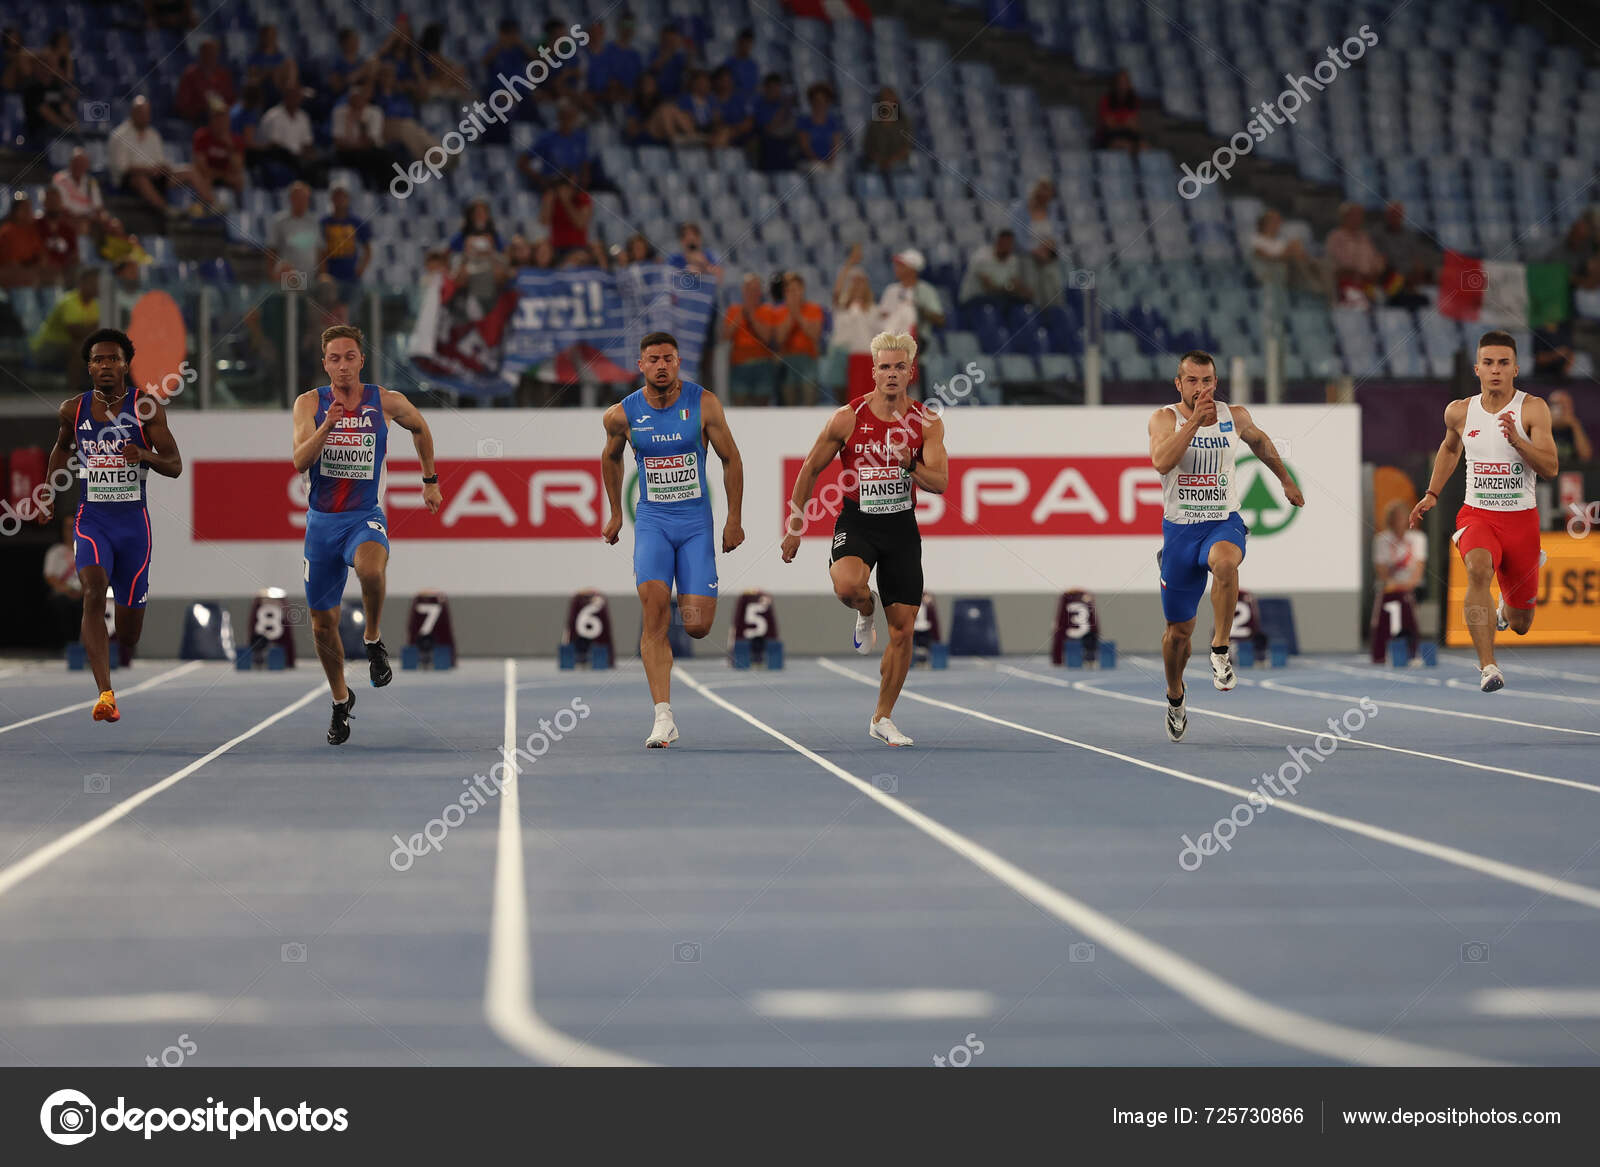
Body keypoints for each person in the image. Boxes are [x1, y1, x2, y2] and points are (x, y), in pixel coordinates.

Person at [781, 332, 948, 745]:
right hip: (858, 521)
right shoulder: (847, 418)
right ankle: (864, 608)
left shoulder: (927, 422)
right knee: (849, 585)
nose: (891, 374)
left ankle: (882, 717)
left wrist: (910, 465)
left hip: (901, 528)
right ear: (873, 372)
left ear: (911, 371)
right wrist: (795, 525)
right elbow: (809, 470)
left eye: (899, 367)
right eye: (884, 367)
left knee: (904, 631)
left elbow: (940, 483)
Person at [291, 324, 443, 744]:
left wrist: (430, 479)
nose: (342, 365)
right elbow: (299, 460)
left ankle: (372, 638)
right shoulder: (309, 404)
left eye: (349, 357)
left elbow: (420, 427)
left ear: (362, 360)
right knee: (323, 626)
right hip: (321, 524)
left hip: (364, 516)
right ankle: (341, 700)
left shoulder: (386, 401)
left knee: (371, 571)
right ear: (325, 364)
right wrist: (327, 428)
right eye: (334, 358)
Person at [1150, 350, 1304, 740]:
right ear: (1179, 384)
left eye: (1207, 381)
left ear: (1215, 383)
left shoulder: (1233, 415)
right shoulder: (1165, 418)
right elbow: (1162, 462)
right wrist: (1194, 424)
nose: (1200, 388)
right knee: (1177, 634)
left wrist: (1285, 480)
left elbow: (1262, 442)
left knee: (1226, 564)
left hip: (1223, 522)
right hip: (1181, 534)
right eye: (1192, 381)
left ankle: (1220, 648)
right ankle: (1175, 695)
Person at [601, 332, 745, 747]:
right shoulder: (621, 415)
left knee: (698, 626)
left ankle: (690, 608)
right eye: (653, 360)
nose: (661, 366)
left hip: (696, 523)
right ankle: (663, 715)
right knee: (654, 611)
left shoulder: (704, 404)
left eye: (668, 359)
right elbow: (609, 458)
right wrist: (614, 512)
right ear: (641, 365)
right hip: (653, 522)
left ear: (678, 362)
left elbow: (730, 459)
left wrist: (733, 520)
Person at [39, 328, 184, 723]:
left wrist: (144, 456)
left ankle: (128, 622)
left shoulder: (146, 408)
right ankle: (105, 694)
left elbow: (174, 465)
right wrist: (49, 491)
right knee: (91, 589)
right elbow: (61, 449)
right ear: (89, 367)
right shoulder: (73, 409)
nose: (105, 365)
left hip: (134, 526)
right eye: (97, 360)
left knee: (129, 632)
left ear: (125, 364)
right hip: (93, 520)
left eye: (112, 359)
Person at [1409, 331, 1559, 692]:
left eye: (1503, 363)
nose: (1496, 370)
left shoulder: (1532, 408)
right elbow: (1449, 450)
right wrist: (1432, 493)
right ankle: (1488, 666)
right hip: (1478, 514)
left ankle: (1503, 613)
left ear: (1515, 368)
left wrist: (1518, 442)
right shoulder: (1459, 411)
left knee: (1521, 622)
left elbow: (1551, 467)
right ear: (1477, 368)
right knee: (1477, 570)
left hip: (1521, 520)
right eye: (1488, 363)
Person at [1370, 499, 1425, 665]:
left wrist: (1408, 585)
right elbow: (1381, 570)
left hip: (1411, 586)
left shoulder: (1418, 538)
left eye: (1402, 517)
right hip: (1389, 586)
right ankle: (1380, 653)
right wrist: (1394, 584)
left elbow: (1419, 567)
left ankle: (1413, 650)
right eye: (1395, 518)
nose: (1399, 521)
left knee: (1405, 602)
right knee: (1389, 603)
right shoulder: (1381, 539)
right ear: (1390, 520)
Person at [722, 272, 777, 405]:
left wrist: (751, 315)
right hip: (739, 366)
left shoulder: (767, 311)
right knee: (739, 405)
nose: (752, 293)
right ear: (743, 291)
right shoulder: (733, 311)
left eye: (755, 289)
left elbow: (767, 337)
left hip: (763, 366)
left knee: (761, 407)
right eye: (749, 289)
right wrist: (742, 313)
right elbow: (725, 336)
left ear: (760, 292)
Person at [771, 271, 824, 405]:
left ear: (803, 289)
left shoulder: (814, 309)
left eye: (796, 290)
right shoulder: (779, 312)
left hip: (808, 361)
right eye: (789, 290)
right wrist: (791, 313)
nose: (793, 294)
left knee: (809, 401)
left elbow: (815, 335)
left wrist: (797, 314)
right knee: (789, 403)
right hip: (787, 362)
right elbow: (779, 339)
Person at [877, 247, 945, 334]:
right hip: (892, 337)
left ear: (912, 269)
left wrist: (918, 309)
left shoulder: (926, 290)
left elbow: (940, 320)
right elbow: (883, 316)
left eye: (901, 266)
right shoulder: (891, 290)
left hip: (917, 340)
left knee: (908, 308)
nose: (896, 268)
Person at [958, 228, 1030, 308]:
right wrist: (1010, 289)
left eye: (1010, 244)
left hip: (998, 297)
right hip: (973, 298)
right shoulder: (981, 255)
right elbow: (989, 287)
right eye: (1005, 243)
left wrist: (1024, 292)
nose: (1008, 247)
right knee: (1001, 304)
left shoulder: (1012, 259)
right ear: (998, 242)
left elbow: (1015, 282)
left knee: (1023, 303)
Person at [861, 86, 913, 193]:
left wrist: (890, 161)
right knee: (870, 173)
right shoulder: (873, 124)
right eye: (884, 100)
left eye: (890, 101)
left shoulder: (904, 122)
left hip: (898, 164)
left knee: (903, 172)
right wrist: (880, 161)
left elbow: (906, 148)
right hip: (877, 165)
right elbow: (867, 147)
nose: (887, 103)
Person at [43, 513, 83, 648]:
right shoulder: (55, 552)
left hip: (85, 594)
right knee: (62, 605)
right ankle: (67, 646)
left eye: (74, 527)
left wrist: (82, 591)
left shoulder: (88, 551)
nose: (70, 531)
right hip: (62, 594)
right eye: (67, 527)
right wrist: (68, 590)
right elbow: (50, 577)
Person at [1094, 69, 1141, 151]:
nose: (1122, 86)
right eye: (1120, 83)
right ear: (1115, 84)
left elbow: (1134, 126)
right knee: (1122, 146)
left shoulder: (1133, 101)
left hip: (1127, 135)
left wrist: (1118, 123)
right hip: (1108, 136)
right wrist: (1125, 124)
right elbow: (1109, 126)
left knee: (1143, 146)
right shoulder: (1106, 100)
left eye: (1125, 82)